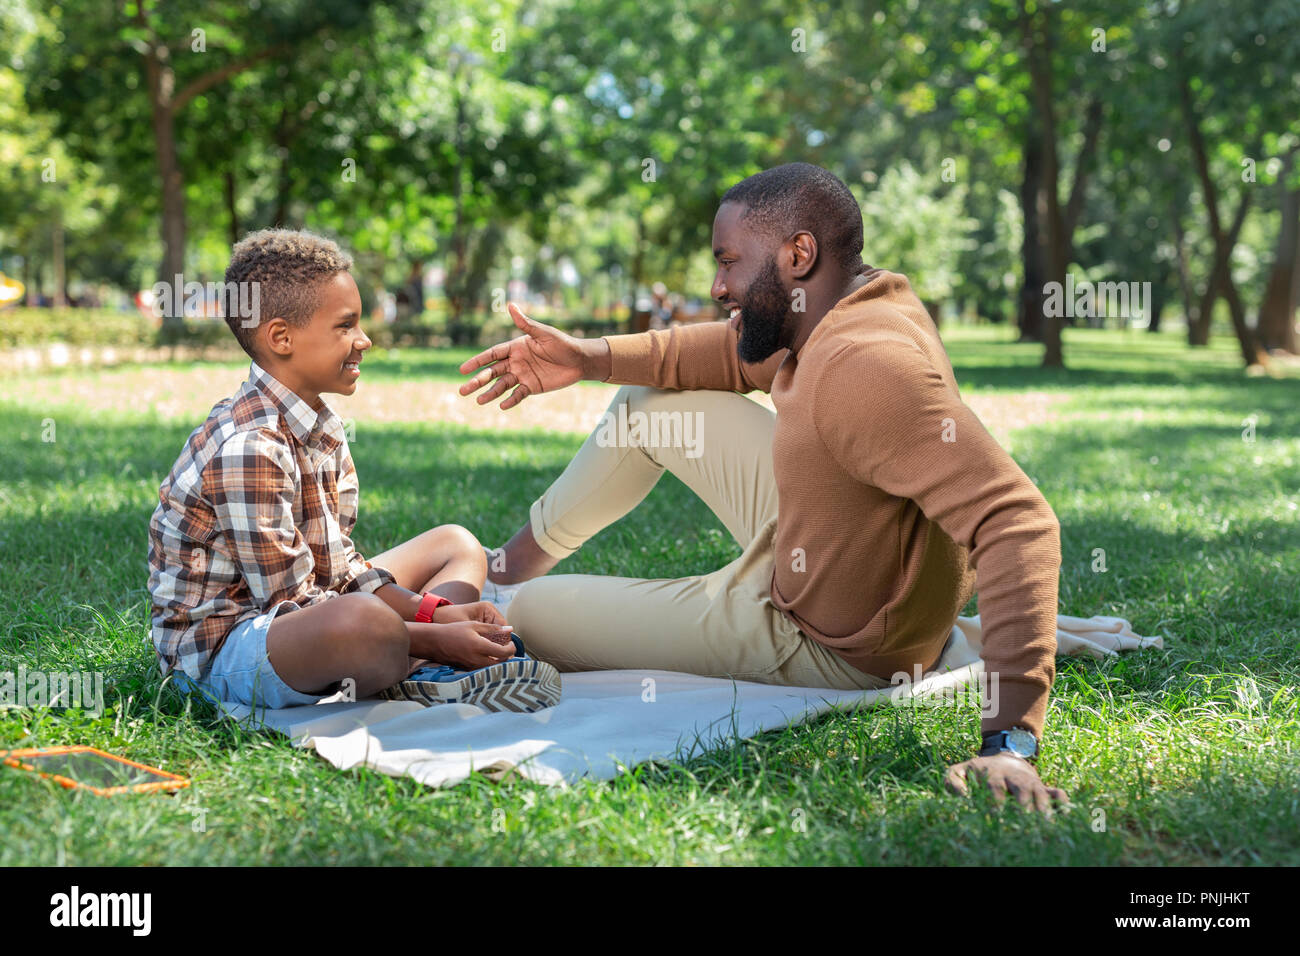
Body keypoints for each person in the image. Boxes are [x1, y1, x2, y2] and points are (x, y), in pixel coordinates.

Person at [461, 163, 1067, 812]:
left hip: (824, 637)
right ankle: (508, 564)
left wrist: (1010, 743)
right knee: (650, 405)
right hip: (821, 537)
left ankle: (509, 593)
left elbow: (1017, 521)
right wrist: (587, 358)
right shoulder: (844, 301)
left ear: (798, 254)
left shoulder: (866, 367)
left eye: (729, 262)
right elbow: (726, 355)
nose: (719, 287)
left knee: (522, 617)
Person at [148, 228, 557, 713]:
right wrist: (435, 636)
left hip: (308, 611)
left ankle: (417, 665)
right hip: (226, 652)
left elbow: (338, 568)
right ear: (281, 337)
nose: (364, 340)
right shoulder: (250, 449)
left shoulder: (320, 423)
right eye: (345, 326)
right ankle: (424, 659)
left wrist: (436, 613)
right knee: (364, 625)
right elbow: (297, 601)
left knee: (458, 544)